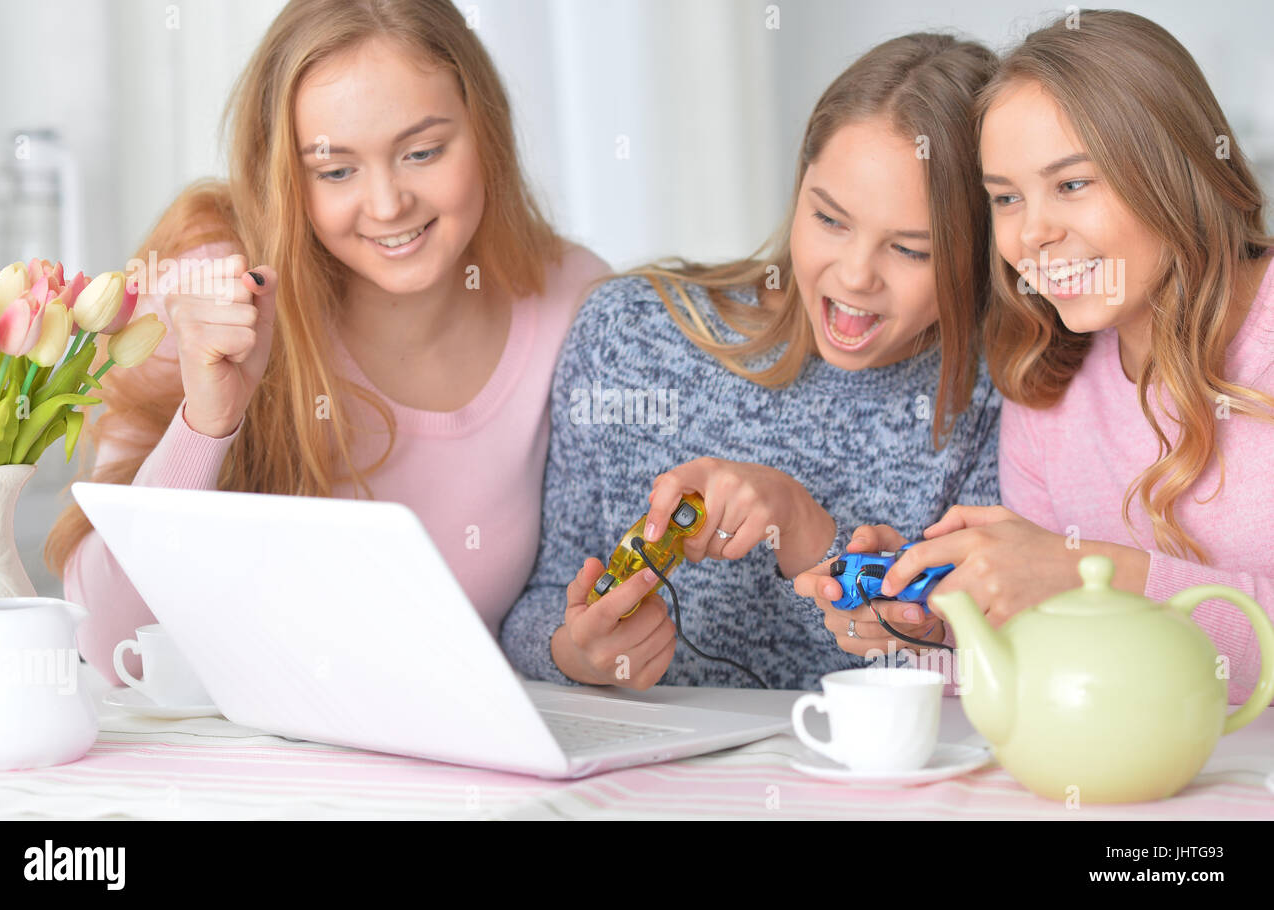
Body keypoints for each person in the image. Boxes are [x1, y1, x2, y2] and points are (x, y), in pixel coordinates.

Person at [48, 0, 608, 685]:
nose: (387, 204)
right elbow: (108, 643)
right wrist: (208, 421)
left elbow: (558, 602)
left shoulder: (573, 298)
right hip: (241, 764)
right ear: (286, 172)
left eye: (423, 152)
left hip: (462, 767)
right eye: (336, 170)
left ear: (485, 130)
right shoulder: (209, 281)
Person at [500, 33, 1002, 690]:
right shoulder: (630, 332)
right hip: (639, 780)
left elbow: (976, 678)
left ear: (980, 256)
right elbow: (530, 612)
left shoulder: (998, 401)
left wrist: (808, 535)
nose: (854, 276)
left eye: (911, 251)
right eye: (829, 219)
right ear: (800, 188)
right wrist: (576, 652)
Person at [878, 10, 1274, 706]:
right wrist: (928, 629)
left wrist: (1095, 573)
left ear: (1173, 167)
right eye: (1005, 197)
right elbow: (1055, 677)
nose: (1032, 232)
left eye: (1072, 184)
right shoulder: (1045, 383)